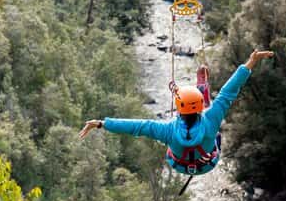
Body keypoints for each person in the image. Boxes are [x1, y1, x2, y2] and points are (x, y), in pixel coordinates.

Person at [78, 49, 274, 176]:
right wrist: (250, 62)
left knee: (157, 130)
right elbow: (229, 91)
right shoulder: (210, 118)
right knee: (215, 124)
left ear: (180, 109)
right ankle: (201, 90)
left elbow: (136, 126)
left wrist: (102, 123)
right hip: (207, 163)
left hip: (178, 163)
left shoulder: (168, 129)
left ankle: (198, 92)